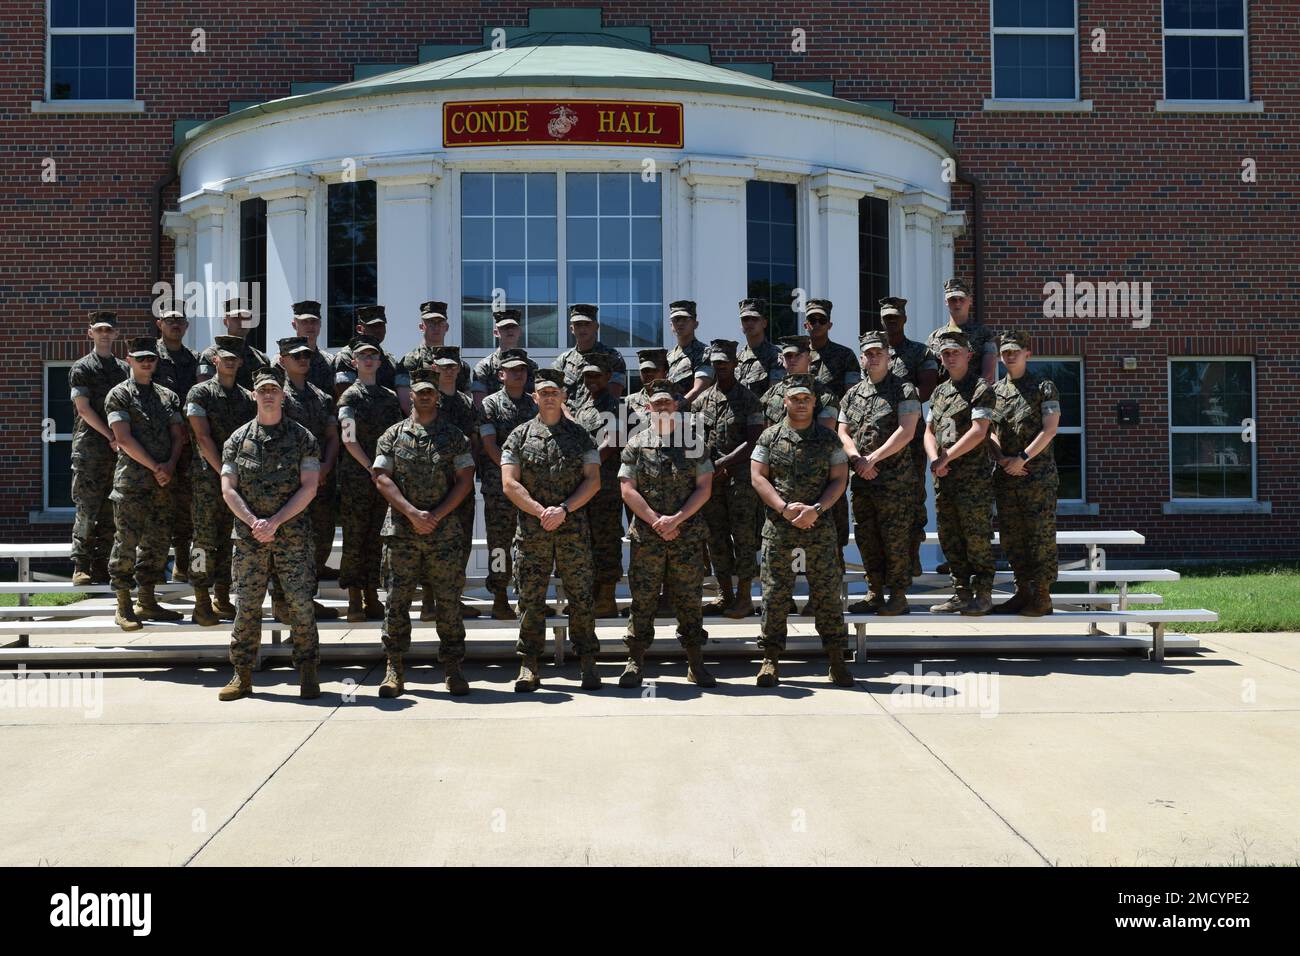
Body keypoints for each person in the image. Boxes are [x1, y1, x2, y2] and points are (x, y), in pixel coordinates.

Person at [217, 366, 322, 701]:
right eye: (262, 389)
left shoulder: (303, 438)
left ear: (283, 394)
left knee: (300, 605)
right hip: (249, 539)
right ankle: (242, 674)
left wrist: (275, 521)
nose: (268, 395)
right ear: (254, 395)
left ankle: (307, 671)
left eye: (273, 389)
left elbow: (310, 488)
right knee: (247, 607)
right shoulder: (237, 440)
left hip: (291, 537)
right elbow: (227, 488)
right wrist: (254, 523)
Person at [372, 367, 476, 697]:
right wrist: (413, 513)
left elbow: (465, 480)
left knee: (448, 603)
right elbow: (381, 478)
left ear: (438, 396)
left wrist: (436, 515)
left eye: (432, 391)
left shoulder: (454, 436)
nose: (427, 396)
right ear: (411, 395)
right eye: (421, 391)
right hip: (402, 532)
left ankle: (453, 668)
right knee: (397, 603)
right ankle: (394, 668)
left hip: (443, 534)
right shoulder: (391, 435)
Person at [500, 369, 602, 692]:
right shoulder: (518, 436)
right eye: (543, 392)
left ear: (564, 397)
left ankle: (587, 662)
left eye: (554, 392)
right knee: (530, 599)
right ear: (534, 397)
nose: (548, 397)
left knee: (582, 597)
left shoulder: (581, 436)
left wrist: (564, 510)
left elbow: (593, 481)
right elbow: (508, 483)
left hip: (572, 530)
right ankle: (529, 664)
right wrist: (541, 511)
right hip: (533, 531)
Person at [750, 373, 853, 687]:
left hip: (818, 528)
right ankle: (770, 661)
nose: (801, 404)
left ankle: (836, 660)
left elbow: (839, 479)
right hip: (780, 530)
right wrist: (783, 508)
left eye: (806, 398)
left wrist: (816, 510)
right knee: (775, 596)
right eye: (795, 398)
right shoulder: (769, 437)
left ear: (814, 401)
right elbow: (758, 477)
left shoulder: (828, 439)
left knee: (827, 597)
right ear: (785, 402)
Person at [617, 379, 715, 688]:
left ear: (676, 407)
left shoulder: (693, 443)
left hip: (686, 537)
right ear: (647, 408)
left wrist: (677, 519)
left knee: (689, 600)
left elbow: (704, 488)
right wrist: (656, 520)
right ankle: (635, 662)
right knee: (642, 601)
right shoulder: (635, 444)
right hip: (648, 538)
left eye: (667, 403)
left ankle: (695, 663)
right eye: (656, 403)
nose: (662, 408)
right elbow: (627, 488)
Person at [104, 338, 186, 630]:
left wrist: (170, 466)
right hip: (132, 483)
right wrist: (156, 467)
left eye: (150, 358)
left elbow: (179, 435)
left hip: (163, 482)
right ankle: (124, 604)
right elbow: (123, 439)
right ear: (129, 360)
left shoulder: (167, 396)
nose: (146, 363)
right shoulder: (119, 395)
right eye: (140, 358)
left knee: (157, 543)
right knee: (126, 543)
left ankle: (148, 600)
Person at [837, 331, 921, 616]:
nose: (873, 358)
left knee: (895, 538)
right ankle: (874, 591)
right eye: (868, 354)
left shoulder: (904, 390)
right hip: (862, 481)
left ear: (888, 356)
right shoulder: (852, 395)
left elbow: (907, 430)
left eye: (878, 353)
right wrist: (856, 459)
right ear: (862, 358)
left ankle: (897, 595)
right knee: (866, 537)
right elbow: (842, 431)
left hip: (894, 482)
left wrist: (871, 459)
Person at [691, 339, 765, 619]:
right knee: (716, 538)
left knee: (744, 539)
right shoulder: (701, 401)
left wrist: (722, 462)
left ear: (735, 364)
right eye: (716, 363)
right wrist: (707, 464)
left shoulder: (749, 399)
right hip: (712, 481)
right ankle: (725, 595)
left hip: (741, 481)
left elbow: (754, 440)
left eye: (725, 362)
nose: (721, 367)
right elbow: (694, 439)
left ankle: (745, 597)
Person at [185, 335, 256, 626]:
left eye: (234, 358)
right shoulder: (200, 394)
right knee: (202, 541)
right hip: (207, 479)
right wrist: (223, 471)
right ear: (214, 360)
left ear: (240, 362)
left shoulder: (245, 397)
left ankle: (223, 596)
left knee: (230, 539)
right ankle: (201, 600)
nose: (229, 361)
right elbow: (202, 437)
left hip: (236, 481)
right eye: (223, 357)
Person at [989, 329, 1061, 616]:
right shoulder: (995, 391)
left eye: (1015, 350)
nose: (1010, 355)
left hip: (1037, 477)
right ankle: (1022, 592)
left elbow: (1050, 428)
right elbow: (989, 432)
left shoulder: (1043, 387)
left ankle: (1042, 596)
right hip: (1006, 476)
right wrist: (1003, 459)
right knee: (1012, 537)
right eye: (1005, 351)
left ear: (1027, 353)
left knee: (1039, 537)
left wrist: (1022, 458)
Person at [925, 328, 996, 615]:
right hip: (945, 480)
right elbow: (928, 431)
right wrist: (934, 459)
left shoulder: (980, 388)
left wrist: (946, 457)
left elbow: (979, 432)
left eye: (956, 352)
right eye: (946, 354)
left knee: (976, 538)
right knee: (950, 538)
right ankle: (961, 593)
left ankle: (983, 594)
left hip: (972, 481)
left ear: (969, 355)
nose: (950, 357)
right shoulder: (940, 392)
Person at [336, 334, 402, 622]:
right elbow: (348, 439)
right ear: (354, 362)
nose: (368, 359)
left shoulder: (388, 397)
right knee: (355, 536)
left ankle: (372, 595)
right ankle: (353, 598)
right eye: (363, 356)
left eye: (373, 355)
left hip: (383, 477)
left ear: (379, 361)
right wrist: (370, 467)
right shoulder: (349, 396)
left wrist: (383, 470)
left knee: (378, 536)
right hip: (358, 476)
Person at [274, 335, 340, 621]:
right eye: (295, 356)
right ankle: (281, 602)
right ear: (282, 360)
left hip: (320, 481)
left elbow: (332, 436)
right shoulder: (278, 396)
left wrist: (324, 467)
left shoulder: (321, 396)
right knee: (287, 543)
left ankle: (306, 599)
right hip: (290, 483)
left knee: (320, 538)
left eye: (306, 356)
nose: (303, 360)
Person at [477, 348, 538, 619]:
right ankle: (500, 596)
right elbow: (490, 445)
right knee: (499, 544)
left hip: (531, 487)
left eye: (522, 370)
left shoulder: (535, 405)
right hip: (500, 486)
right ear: (501, 375)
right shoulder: (489, 404)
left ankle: (528, 596)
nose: (518, 374)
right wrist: (510, 473)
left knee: (531, 543)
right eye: (512, 370)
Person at [879, 296, 938, 577]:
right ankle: (883, 562)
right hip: (877, 438)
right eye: (887, 317)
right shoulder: (873, 352)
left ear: (904, 319)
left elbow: (927, 388)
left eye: (895, 317)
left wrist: (896, 402)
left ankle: (912, 552)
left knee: (912, 496)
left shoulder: (920, 353)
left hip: (909, 437)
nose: (891, 322)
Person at [69, 310, 128, 586]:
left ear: (115, 334)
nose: (105, 334)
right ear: (90, 333)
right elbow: (84, 409)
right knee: (87, 508)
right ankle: (81, 564)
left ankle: (102, 564)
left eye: (109, 330)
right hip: (91, 449)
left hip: (117, 450)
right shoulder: (82, 368)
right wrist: (111, 436)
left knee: (110, 510)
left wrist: (119, 440)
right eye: (99, 329)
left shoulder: (123, 370)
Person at [428, 345, 481, 620]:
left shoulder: (464, 401)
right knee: (431, 543)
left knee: (461, 542)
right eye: (443, 366)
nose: (448, 370)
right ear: (434, 367)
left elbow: (473, 438)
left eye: (452, 366)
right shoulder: (428, 400)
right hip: (432, 483)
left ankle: (454, 599)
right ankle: (429, 601)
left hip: (461, 483)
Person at [571, 352, 624, 618]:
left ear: (607, 377)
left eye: (596, 375)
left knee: (606, 541)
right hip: (583, 487)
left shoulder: (615, 406)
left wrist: (586, 466)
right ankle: (591, 594)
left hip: (605, 488)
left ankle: (607, 597)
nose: (591, 380)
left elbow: (611, 444)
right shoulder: (583, 406)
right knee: (586, 541)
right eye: (587, 375)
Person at [153, 308, 199, 583]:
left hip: (188, 444)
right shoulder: (151, 357)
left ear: (186, 326)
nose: (175, 325)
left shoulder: (194, 359)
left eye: (179, 321)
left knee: (185, 506)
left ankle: (183, 564)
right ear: (159, 324)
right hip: (157, 444)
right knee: (157, 509)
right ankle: (154, 570)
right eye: (169, 321)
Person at [395, 300, 471, 413]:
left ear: (446, 327)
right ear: (421, 327)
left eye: (440, 323)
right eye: (430, 323)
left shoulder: (459, 364)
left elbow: (467, 401)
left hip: (455, 427)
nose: (436, 327)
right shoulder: (410, 361)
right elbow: (406, 403)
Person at [333, 304, 410, 407]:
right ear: (360, 329)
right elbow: (345, 395)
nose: (377, 330)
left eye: (380, 325)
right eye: (372, 326)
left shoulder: (390, 359)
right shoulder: (347, 356)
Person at [927, 278, 997, 386]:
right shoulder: (934, 338)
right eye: (953, 299)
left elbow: (988, 375)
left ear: (970, 300)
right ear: (946, 302)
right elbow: (929, 377)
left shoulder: (984, 334)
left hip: (975, 399)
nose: (957, 303)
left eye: (961, 299)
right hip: (943, 400)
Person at [552, 303, 627, 399]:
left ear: (596, 327)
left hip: (600, 413)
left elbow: (613, 397)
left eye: (587, 324)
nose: (582, 329)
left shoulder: (612, 357)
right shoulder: (563, 360)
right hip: (569, 413)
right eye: (578, 325)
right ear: (572, 329)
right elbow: (555, 394)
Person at [196, 297, 270, 390]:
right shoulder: (210, 355)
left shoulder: (261, 359)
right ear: (225, 321)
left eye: (245, 317)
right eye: (236, 318)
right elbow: (204, 390)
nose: (241, 322)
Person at [471, 308, 532, 403]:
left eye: (513, 327)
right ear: (495, 332)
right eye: (505, 327)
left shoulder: (531, 365)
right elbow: (480, 406)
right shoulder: (484, 367)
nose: (510, 330)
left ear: (519, 331)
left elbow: (538, 400)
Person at [804, 298, 860, 400]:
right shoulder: (797, 355)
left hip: (835, 414)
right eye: (812, 320)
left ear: (829, 325)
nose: (817, 324)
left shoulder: (845, 355)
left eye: (822, 320)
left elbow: (852, 395)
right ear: (805, 325)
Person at [665, 299, 713, 403]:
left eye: (685, 319)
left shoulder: (704, 353)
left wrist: (677, 406)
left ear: (695, 324)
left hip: (695, 415)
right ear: (671, 325)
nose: (680, 323)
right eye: (676, 319)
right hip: (671, 415)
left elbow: (700, 389)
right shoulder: (669, 356)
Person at [736, 297, 784, 398]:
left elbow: (773, 395)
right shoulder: (737, 357)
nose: (749, 323)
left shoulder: (775, 356)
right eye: (745, 319)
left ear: (764, 323)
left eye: (754, 319)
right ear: (741, 325)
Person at [289, 300, 337, 398]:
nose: (310, 326)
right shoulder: (284, 360)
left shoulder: (330, 361)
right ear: (294, 325)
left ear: (320, 324)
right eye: (304, 322)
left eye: (314, 321)